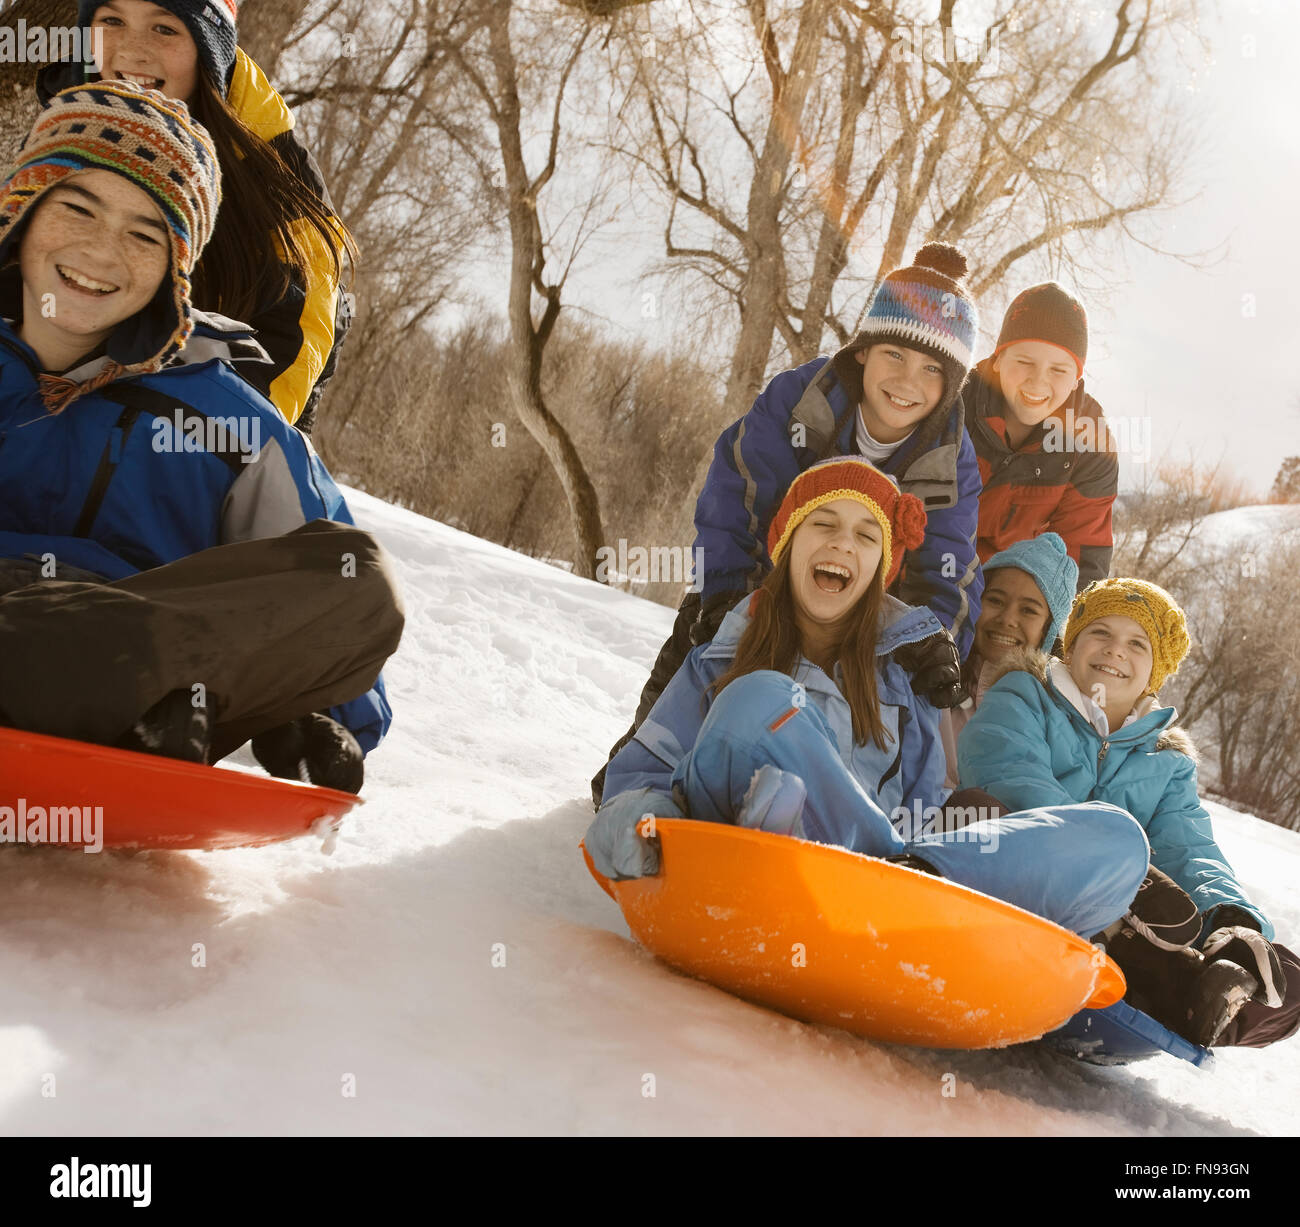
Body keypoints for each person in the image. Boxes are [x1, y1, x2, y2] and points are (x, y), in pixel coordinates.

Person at [0, 81, 401, 792]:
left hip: (130, 647)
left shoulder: (225, 422)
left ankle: (153, 699)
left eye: (144, 233)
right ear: (24, 213)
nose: (101, 251)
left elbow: (334, 609)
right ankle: (145, 695)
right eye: (78, 208)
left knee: (362, 578)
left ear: (177, 268)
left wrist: (305, 711)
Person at [585, 457, 1149, 941]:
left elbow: (925, 812)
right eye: (823, 524)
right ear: (787, 546)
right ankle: (849, 864)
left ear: (880, 568)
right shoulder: (719, 658)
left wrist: (938, 850)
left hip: (879, 887)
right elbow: (637, 779)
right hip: (740, 862)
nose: (841, 542)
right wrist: (643, 823)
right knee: (759, 699)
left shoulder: (907, 683)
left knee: (1118, 836)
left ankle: (897, 879)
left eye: (865, 535)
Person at [591, 243, 985, 806]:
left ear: (951, 387)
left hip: (858, 610)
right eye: (894, 354)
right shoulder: (803, 400)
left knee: (864, 703)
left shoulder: (952, 455)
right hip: (759, 579)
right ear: (864, 351)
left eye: (932, 370)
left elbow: (950, 560)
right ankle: (646, 770)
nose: (908, 381)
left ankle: (845, 810)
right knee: (705, 652)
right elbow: (738, 490)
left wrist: (933, 636)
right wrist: (727, 591)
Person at [958, 578, 1298, 1048]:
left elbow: (1190, 848)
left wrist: (1229, 922)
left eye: (1137, 643)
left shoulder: (1167, 762)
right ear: (1072, 645)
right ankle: (1152, 975)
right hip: (1022, 897)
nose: (1116, 651)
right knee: (977, 813)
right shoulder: (1022, 695)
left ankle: (1207, 993)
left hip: (1117, 929)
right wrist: (1124, 879)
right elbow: (1010, 776)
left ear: (1154, 670)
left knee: (1282, 976)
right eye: (1101, 633)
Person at [37, 0, 357, 431]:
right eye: (112, 20)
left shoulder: (275, 178)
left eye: (164, 29)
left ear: (207, 47)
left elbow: (285, 358)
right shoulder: (65, 121)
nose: (132, 51)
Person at [965, 283, 1117, 589]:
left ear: (1076, 380)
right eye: (1024, 362)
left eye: (1058, 370)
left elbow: (1079, 561)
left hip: (1009, 599)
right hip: (929, 578)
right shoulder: (956, 406)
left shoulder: (1089, 442)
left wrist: (1064, 632)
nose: (1038, 381)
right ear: (997, 360)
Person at [939, 532, 1078, 787]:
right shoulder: (938, 679)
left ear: (1049, 629)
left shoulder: (1058, 713)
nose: (1007, 619)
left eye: (1028, 610)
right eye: (995, 600)